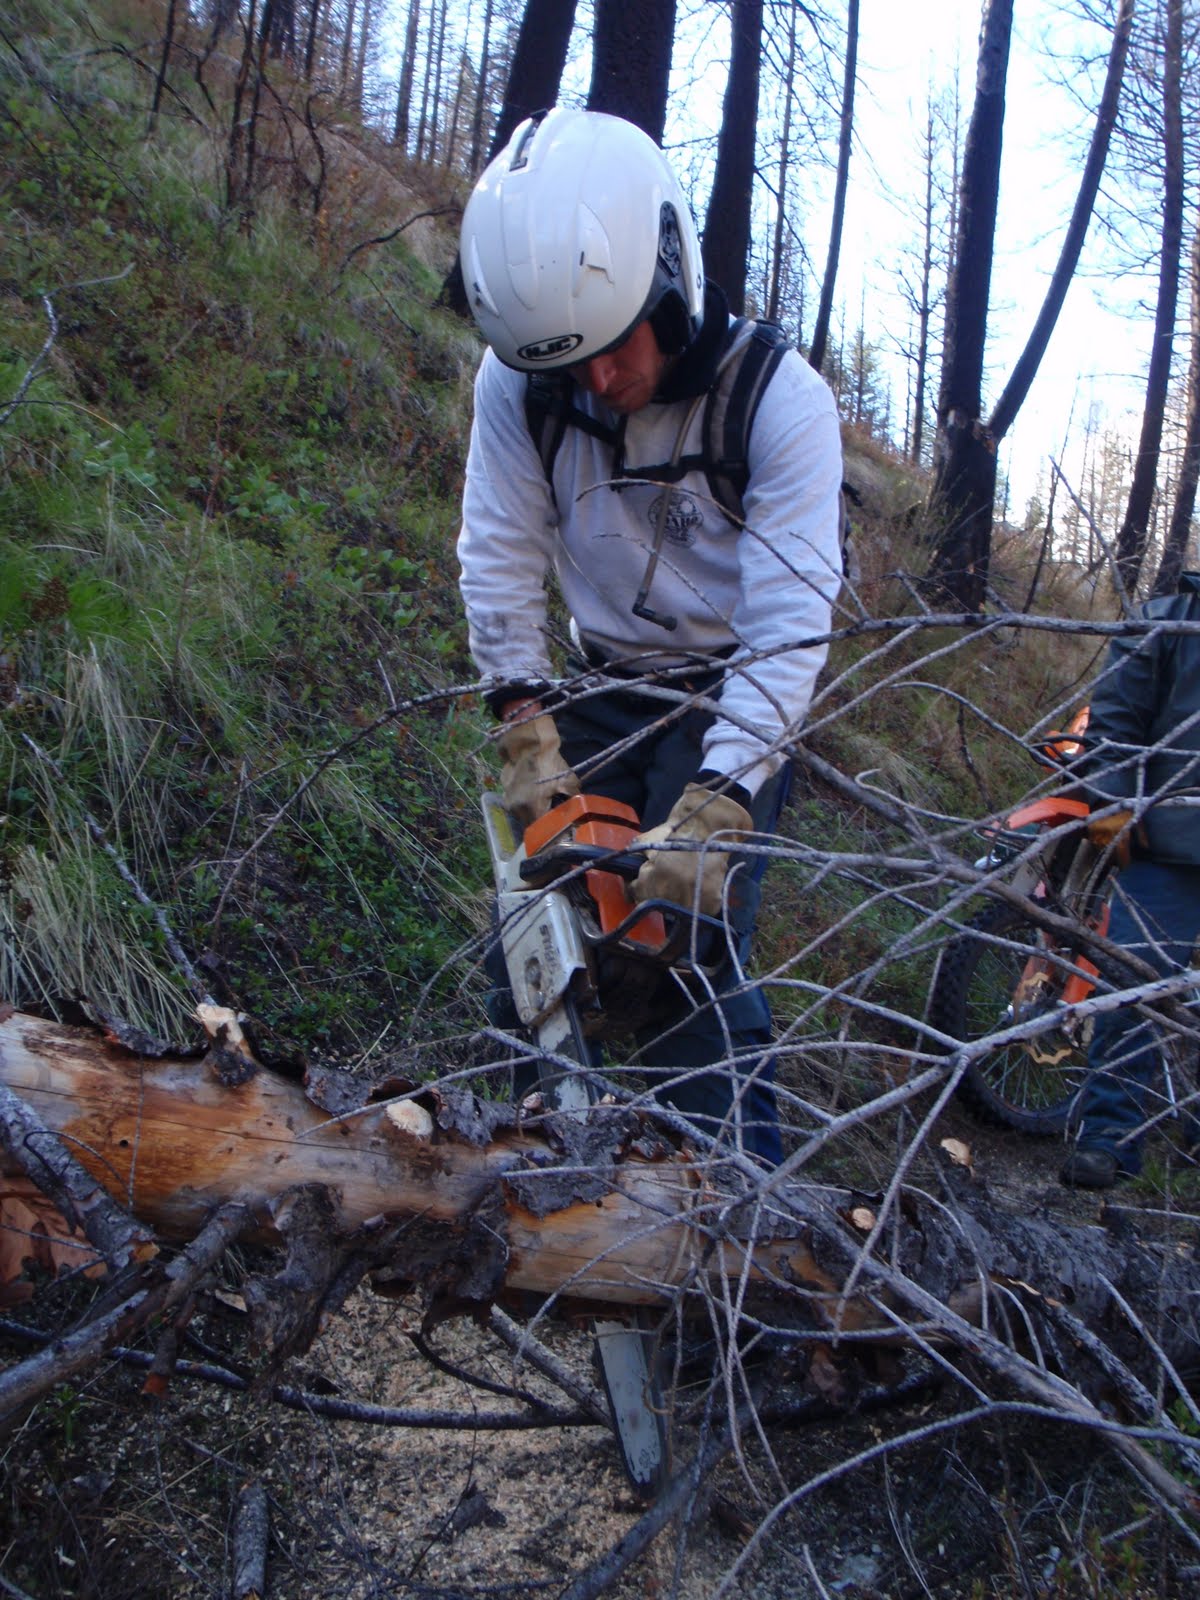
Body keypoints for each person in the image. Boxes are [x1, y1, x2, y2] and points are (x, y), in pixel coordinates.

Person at [455, 108, 844, 1166]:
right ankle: (526, 1178)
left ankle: (736, 1222)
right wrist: (524, 729)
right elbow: (499, 551)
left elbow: (787, 629)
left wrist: (719, 797)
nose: (595, 384)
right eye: (567, 364)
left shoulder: (779, 403)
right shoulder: (520, 384)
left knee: (686, 955)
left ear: (667, 283)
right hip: (598, 683)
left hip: (728, 694)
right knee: (535, 943)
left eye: (612, 349)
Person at [1060, 570, 1200, 1189]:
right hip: (1170, 845)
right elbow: (1114, 722)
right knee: (1129, 984)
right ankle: (1108, 1138)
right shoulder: (1167, 621)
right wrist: (1113, 804)